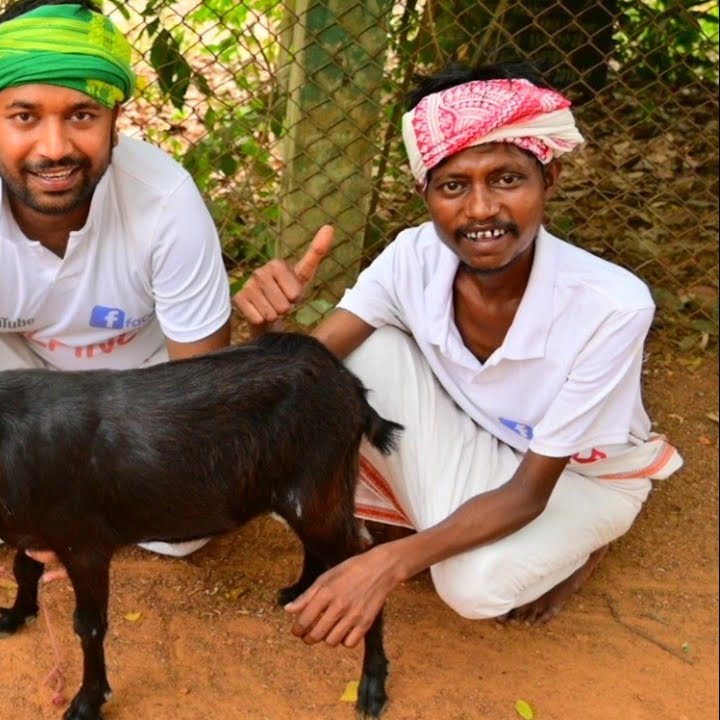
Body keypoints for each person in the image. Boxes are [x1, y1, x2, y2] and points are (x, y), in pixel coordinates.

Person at [232, 62, 684, 648]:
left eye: (507, 179)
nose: (480, 209)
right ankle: (436, 527)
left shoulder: (612, 304)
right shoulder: (412, 256)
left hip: (579, 476)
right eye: (453, 186)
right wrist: (270, 330)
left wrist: (387, 565)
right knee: (337, 375)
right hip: (478, 438)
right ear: (424, 192)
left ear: (551, 177)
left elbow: (528, 492)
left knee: (472, 587)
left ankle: (583, 545)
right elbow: (298, 378)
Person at [0, 0, 235, 586]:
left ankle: (32, 508)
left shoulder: (166, 201)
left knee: (193, 520)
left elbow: (201, 399)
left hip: (137, 386)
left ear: (116, 119)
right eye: (24, 116)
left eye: (82, 115)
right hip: (17, 383)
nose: (54, 147)